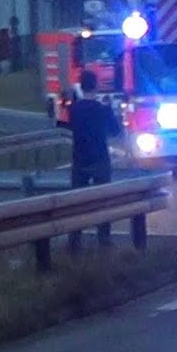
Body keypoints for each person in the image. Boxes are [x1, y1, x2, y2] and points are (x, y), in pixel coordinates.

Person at [68, 69, 121, 250]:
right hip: (100, 158)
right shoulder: (103, 110)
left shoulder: (74, 109)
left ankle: (74, 242)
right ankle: (104, 240)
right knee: (103, 201)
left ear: (81, 87)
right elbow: (115, 131)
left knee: (77, 203)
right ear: (96, 86)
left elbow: (71, 129)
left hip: (80, 159)